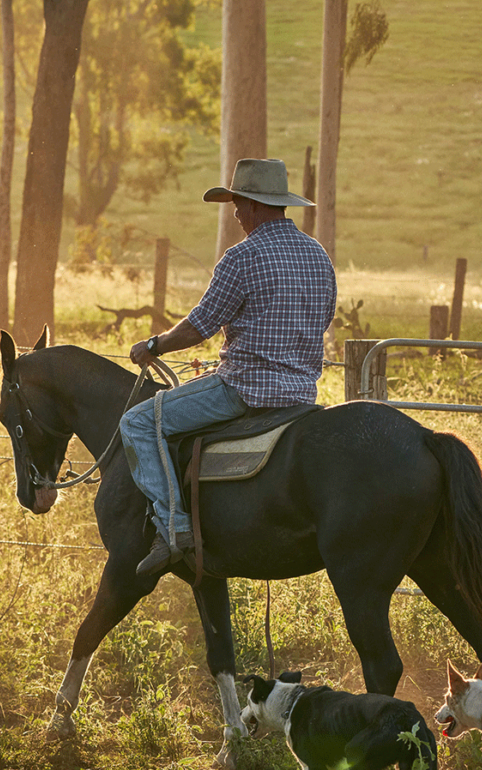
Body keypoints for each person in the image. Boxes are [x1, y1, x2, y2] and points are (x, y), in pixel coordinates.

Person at [119, 158, 337, 576]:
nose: (235, 213)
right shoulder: (318, 256)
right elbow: (323, 319)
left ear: (254, 205)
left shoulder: (242, 257)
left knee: (139, 423)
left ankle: (174, 528)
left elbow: (200, 325)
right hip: (301, 395)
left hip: (243, 390)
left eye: (237, 203)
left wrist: (154, 345)